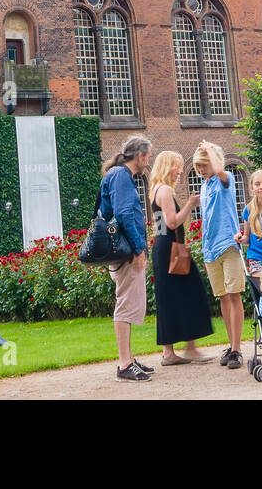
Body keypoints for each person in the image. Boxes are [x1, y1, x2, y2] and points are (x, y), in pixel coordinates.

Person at [147, 150, 214, 366]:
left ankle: (175, 350)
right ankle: (186, 349)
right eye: (177, 166)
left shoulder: (155, 189)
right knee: (191, 292)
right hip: (171, 249)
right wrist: (190, 205)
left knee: (170, 298)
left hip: (163, 247)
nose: (180, 171)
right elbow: (172, 222)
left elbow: (160, 226)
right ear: (167, 167)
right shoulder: (165, 190)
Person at [99, 135, 153, 381]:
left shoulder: (118, 175)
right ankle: (124, 364)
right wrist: (140, 249)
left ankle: (128, 359)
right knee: (125, 305)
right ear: (140, 156)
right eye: (147, 156)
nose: (148, 161)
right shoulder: (121, 176)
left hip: (123, 251)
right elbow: (123, 213)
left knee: (128, 304)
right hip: (126, 253)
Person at [195, 140, 244, 369]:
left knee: (234, 295)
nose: (202, 171)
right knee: (223, 297)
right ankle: (230, 345)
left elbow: (221, 170)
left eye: (204, 166)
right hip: (210, 249)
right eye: (199, 167)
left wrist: (211, 150)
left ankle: (237, 349)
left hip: (228, 245)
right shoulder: (204, 186)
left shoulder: (227, 181)